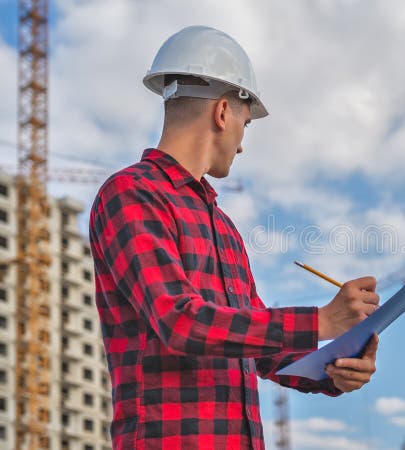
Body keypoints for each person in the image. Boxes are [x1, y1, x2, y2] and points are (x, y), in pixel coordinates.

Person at [89, 25, 380, 450]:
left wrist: (336, 369)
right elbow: (179, 321)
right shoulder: (132, 194)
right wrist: (319, 321)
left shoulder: (224, 229)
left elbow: (263, 353)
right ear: (223, 113)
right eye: (246, 124)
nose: (242, 145)